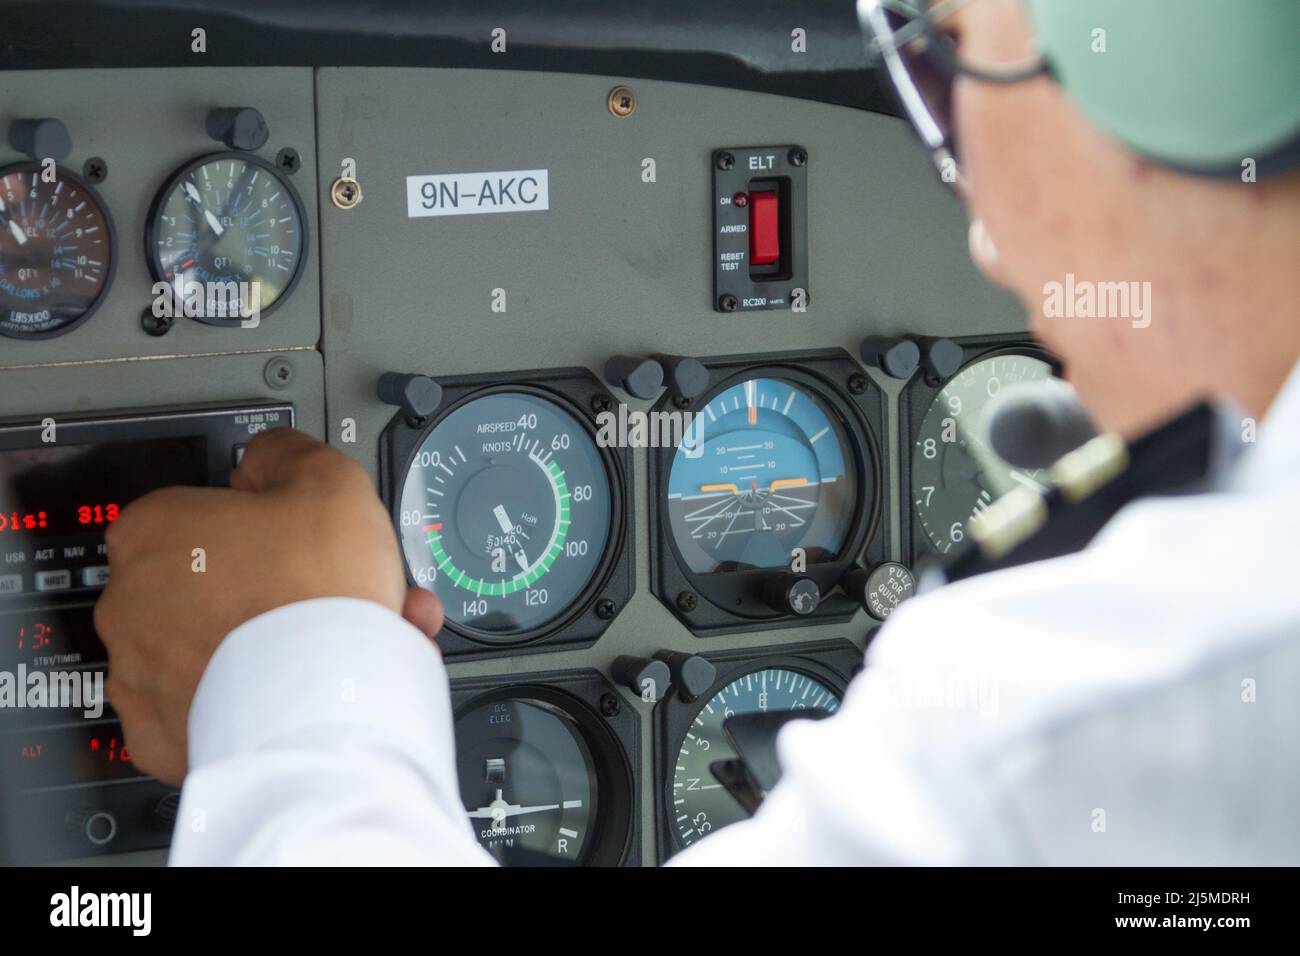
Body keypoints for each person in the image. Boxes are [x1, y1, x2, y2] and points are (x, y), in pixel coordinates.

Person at [94, 0, 1300, 865]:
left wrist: (283, 675)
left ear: (1171, 51)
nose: (980, 234)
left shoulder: (1103, 707)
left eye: (947, 69)